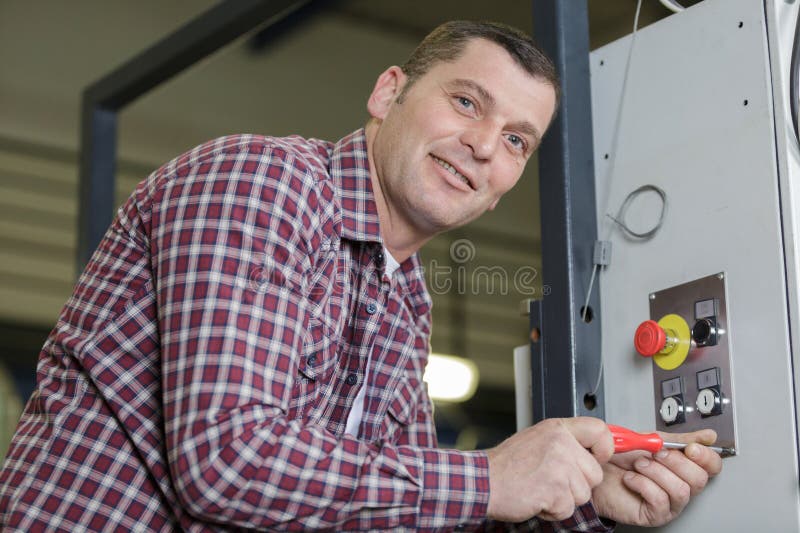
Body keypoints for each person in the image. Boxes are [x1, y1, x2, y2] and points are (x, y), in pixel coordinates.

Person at [0, 20, 721, 531]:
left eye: (515, 141)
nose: (480, 146)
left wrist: (581, 497)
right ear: (387, 94)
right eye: (467, 102)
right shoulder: (264, 183)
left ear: (506, 185)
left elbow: (393, 510)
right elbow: (226, 458)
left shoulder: (402, 297)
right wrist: (494, 475)